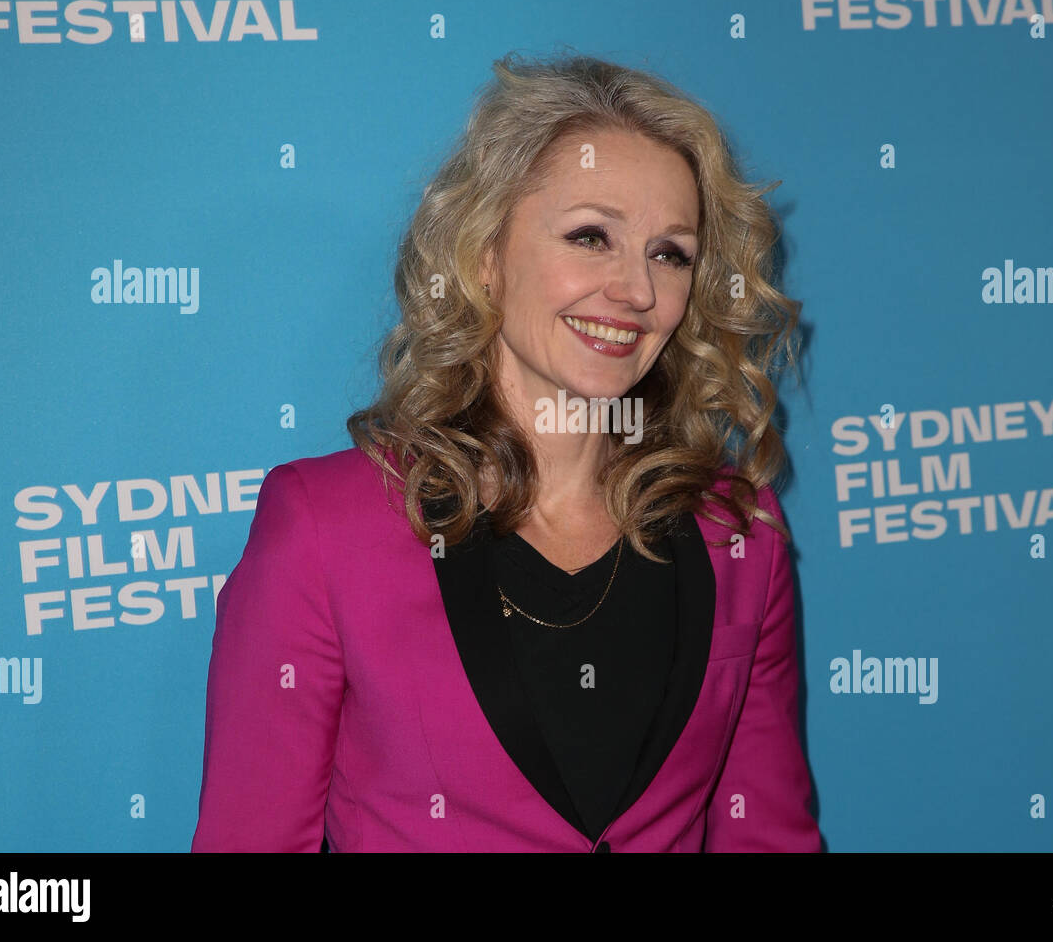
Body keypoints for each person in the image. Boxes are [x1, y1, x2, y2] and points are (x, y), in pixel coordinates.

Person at [191, 51, 820, 852]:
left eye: (671, 253)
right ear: (486, 255)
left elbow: (765, 838)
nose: (635, 289)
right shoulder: (324, 529)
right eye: (591, 236)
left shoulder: (738, 529)